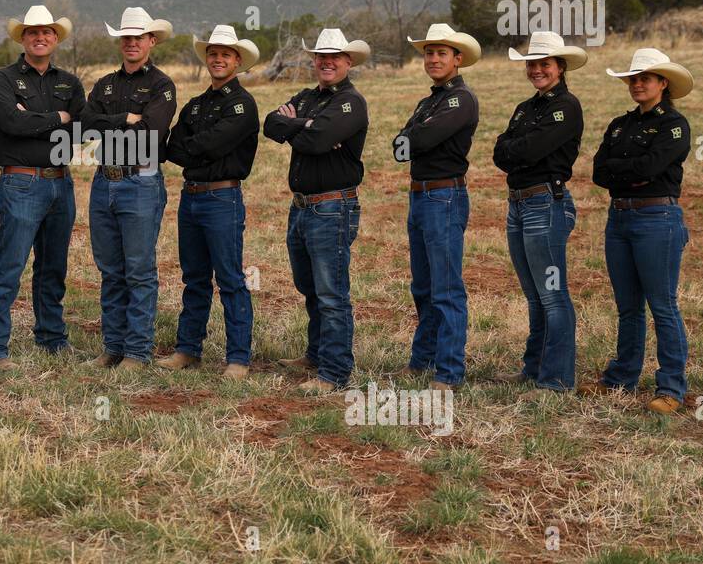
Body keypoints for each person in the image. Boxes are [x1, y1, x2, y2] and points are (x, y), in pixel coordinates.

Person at [0, 6, 85, 372]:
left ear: (56, 38)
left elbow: (82, 131)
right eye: (32, 32)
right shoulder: (2, 78)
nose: (40, 37)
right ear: (22, 38)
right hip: (20, 181)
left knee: (53, 267)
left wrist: (33, 119)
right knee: (10, 264)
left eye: (47, 32)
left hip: (60, 182)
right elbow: (9, 122)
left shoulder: (70, 82)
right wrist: (58, 118)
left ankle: (52, 337)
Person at [586, 48, 694, 415]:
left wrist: (626, 169)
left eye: (644, 78)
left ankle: (672, 387)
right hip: (619, 219)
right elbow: (599, 173)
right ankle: (622, 376)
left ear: (663, 83)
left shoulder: (674, 125)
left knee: (662, 305)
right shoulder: (620, 124)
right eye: (633, 79)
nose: (637, 84)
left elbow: (652, 166)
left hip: (656, 220)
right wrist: (633, 170)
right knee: (627, 306)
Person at [264, 29, 370, 393]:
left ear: (348, 61)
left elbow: (319, 140)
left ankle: (335, 371)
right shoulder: (308, 97)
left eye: (335, 56)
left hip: (332, 206)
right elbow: (270, 124)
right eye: (320, 56)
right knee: (308, 285)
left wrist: (300, 128)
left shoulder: (350, 102)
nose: (326, 61)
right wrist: (303, 125)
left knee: (331, 290)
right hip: (302, 207)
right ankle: (316, 353)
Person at [159, 25, 260, 379]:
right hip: (191, 197)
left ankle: (238, 358)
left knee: (231, 278)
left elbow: (208, 145)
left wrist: (194, 147)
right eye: (213, 54)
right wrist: (197, 148)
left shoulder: (242, 104)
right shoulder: (196, 104)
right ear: (207, 58)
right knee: (195, 277)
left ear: (237, 61)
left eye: (226, 55)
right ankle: (188, 350)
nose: (218, 59)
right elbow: (173, 148)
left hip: (222, 196)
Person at [82, 7, 178, 372]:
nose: (132, 42)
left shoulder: (162, 86)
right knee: (110, 269)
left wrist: (109, 127)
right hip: (104, 179)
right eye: (126, 37)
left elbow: (151, 135)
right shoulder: (104, 84)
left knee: (138, 269)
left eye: (139, 37)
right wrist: (123, 119)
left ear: (151, 41)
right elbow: (86, 126)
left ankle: (137, 352)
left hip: (140, 181)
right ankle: (113, 347)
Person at [492, 31, 586, 393]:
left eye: (544, 64)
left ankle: (557, 378)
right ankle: (534, 368)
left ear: (560, 67)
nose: (537, 70)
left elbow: (528, 150)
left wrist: (516, 149)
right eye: (532, 64)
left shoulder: (567, 106)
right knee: (534, 293)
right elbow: (500, 152)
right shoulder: (525, 107)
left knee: (552, 292)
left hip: (545, 204)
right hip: (519, 203)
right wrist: (517, 149)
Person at [393, 23, 481, 392]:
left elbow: (419, 138)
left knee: (446, 287)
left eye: (441, 53)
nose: (433, 59)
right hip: (420, 194)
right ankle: (423, 359)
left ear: (457, 59)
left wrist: (415, 135)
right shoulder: (428, 102)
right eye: (429, 53)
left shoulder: (461, 99)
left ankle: (449, 371)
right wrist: (414, 136)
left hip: (443, 196)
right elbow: (399, 148)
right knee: (423, 285)